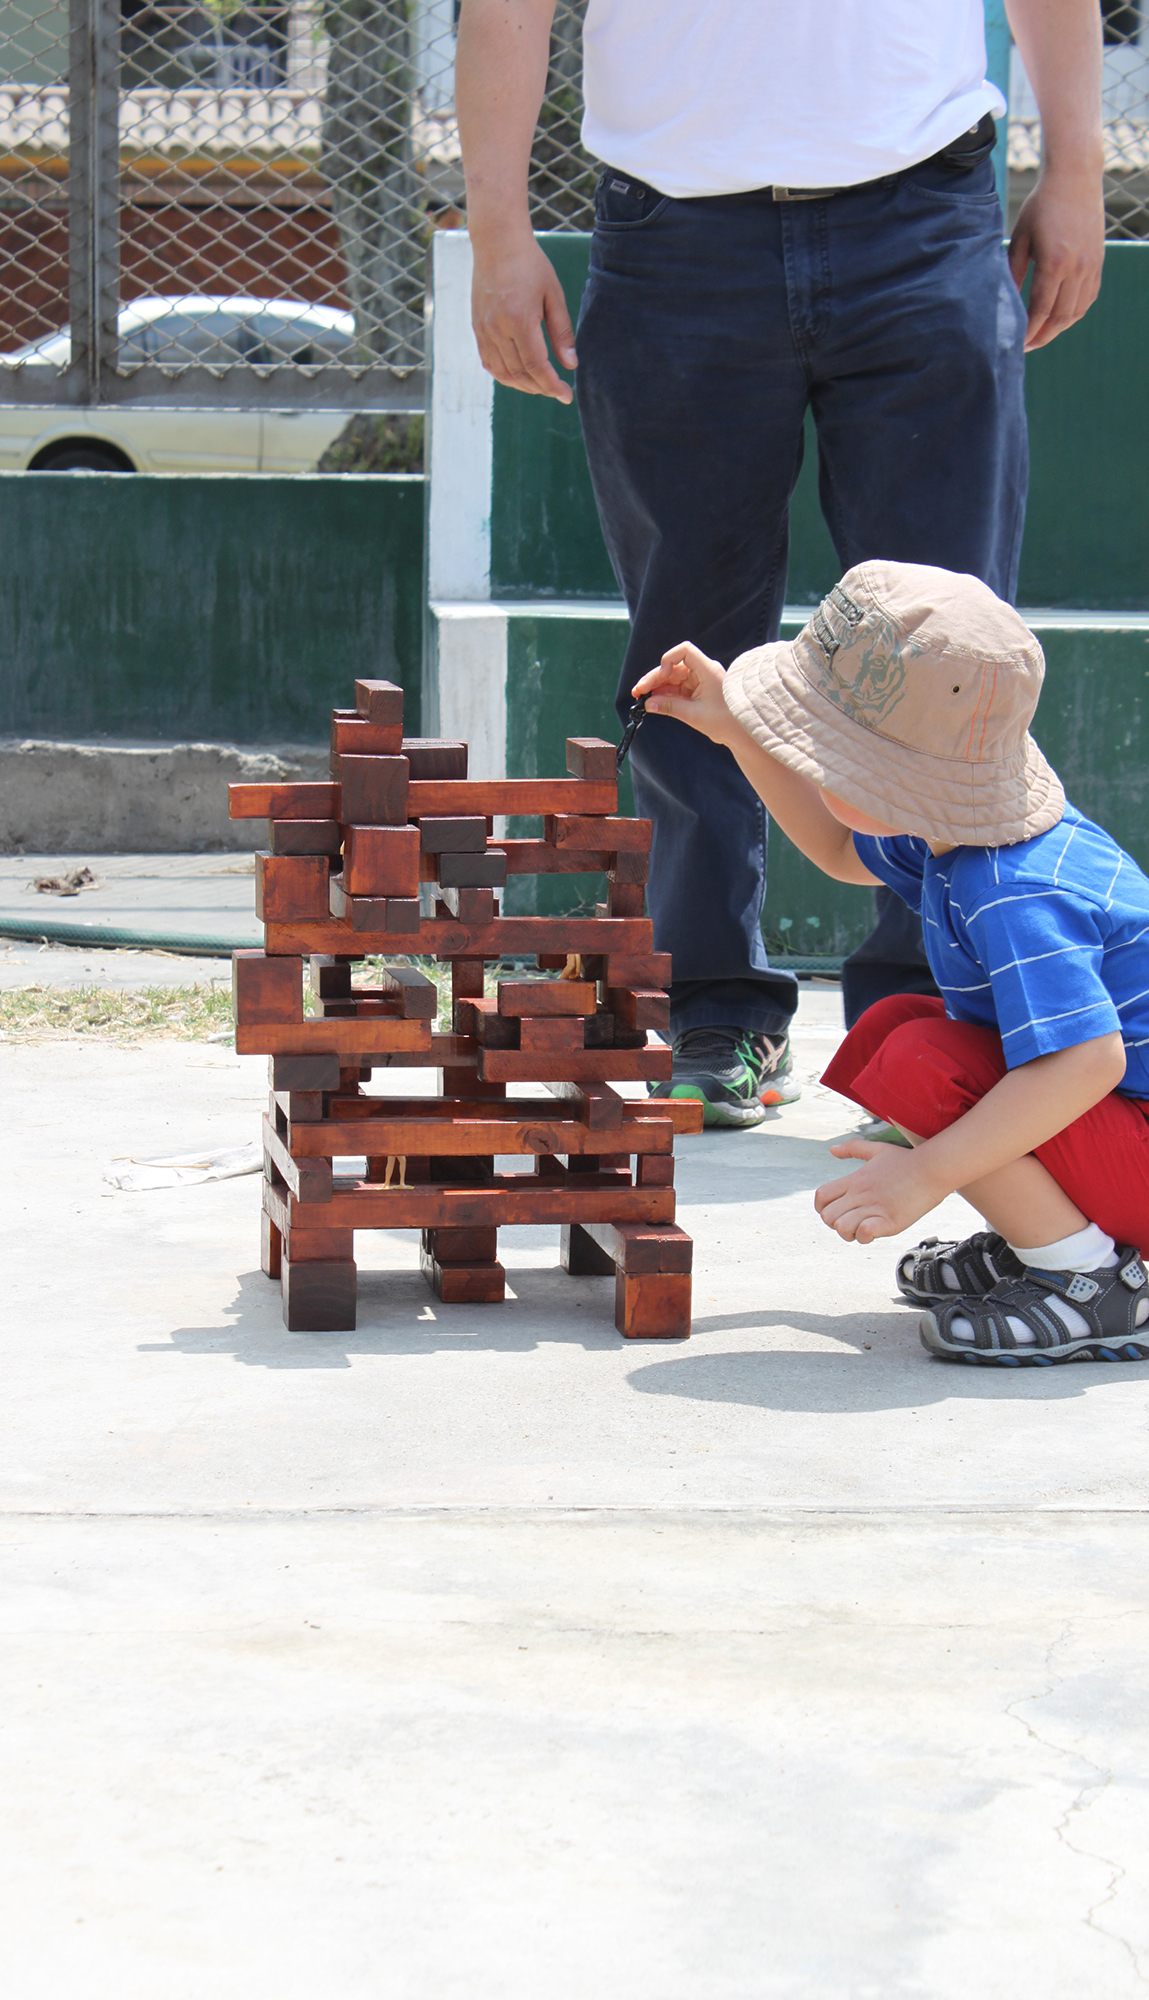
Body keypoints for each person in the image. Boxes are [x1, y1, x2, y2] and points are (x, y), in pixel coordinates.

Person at [455, 0, 1106, 1128]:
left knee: (947, 657)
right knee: (683, 651)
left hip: (923, 213)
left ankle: (930, 1023)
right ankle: (713, 1008)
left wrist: (1077, 174)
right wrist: (499, 237)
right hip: (672, 240)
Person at [632, 559, 1149, 1368]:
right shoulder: (958, 831)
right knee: (895, 1032)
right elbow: (840, 849)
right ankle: (1041, 1239)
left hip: (1134, 1144)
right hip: (1124, 1133)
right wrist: (735, 727)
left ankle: (1091, 1280)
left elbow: (1086, 1061)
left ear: (898, 780)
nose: (803, 754)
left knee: (922, 1061)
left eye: (820, 748)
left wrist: (926, 1175)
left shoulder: (1011, 891)